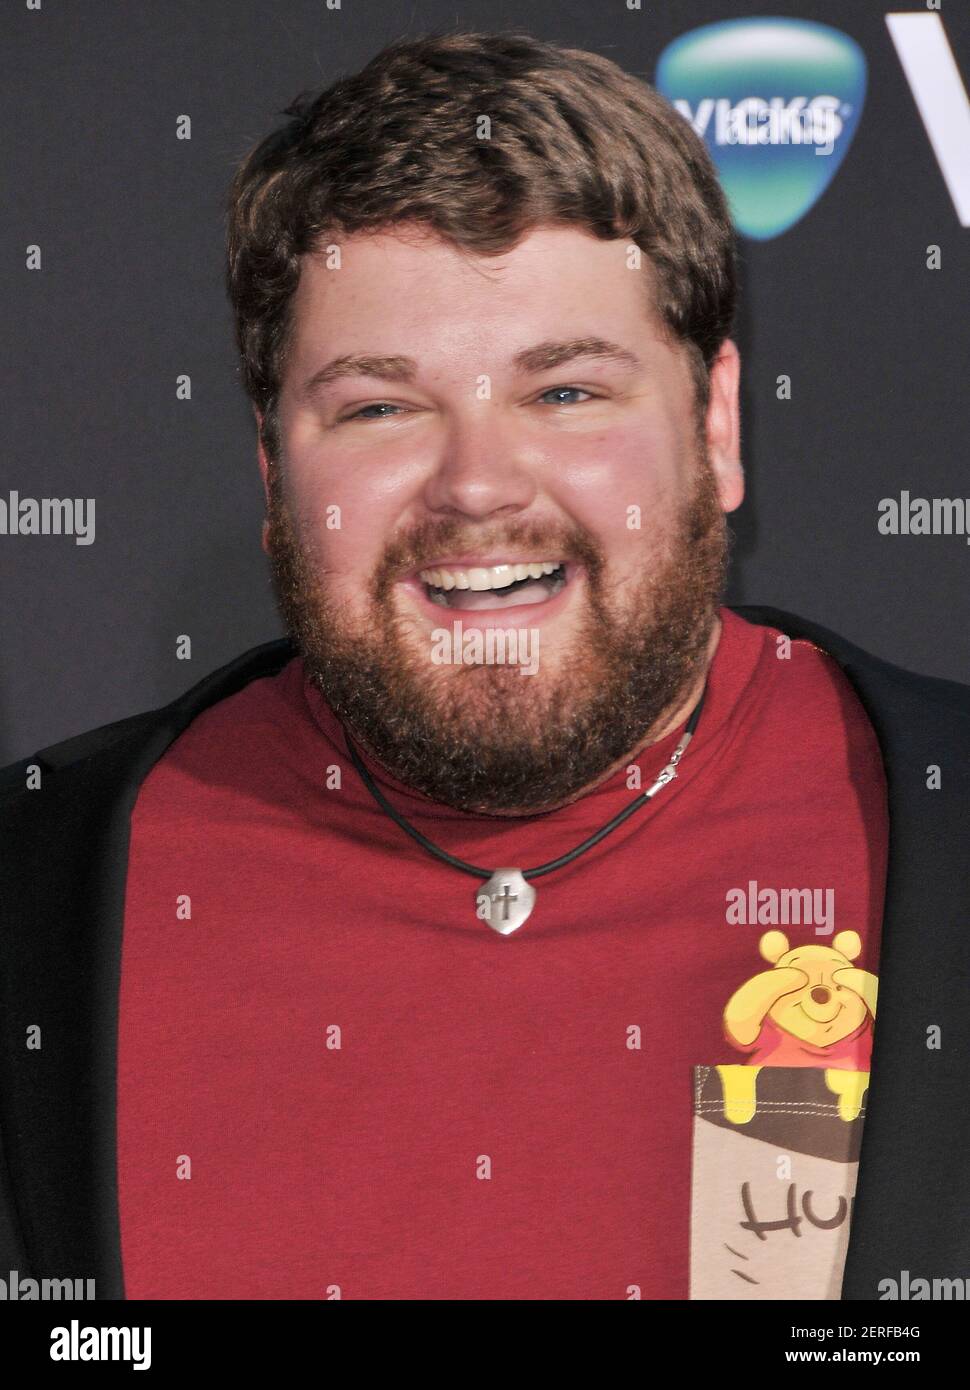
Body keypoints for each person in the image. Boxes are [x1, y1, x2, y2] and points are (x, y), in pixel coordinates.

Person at [1, 30, 968, 1304]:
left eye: (564, 392)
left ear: (715, 424)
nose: (476, 486)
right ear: (272, 473)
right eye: (378, 407)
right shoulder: (36, 890)